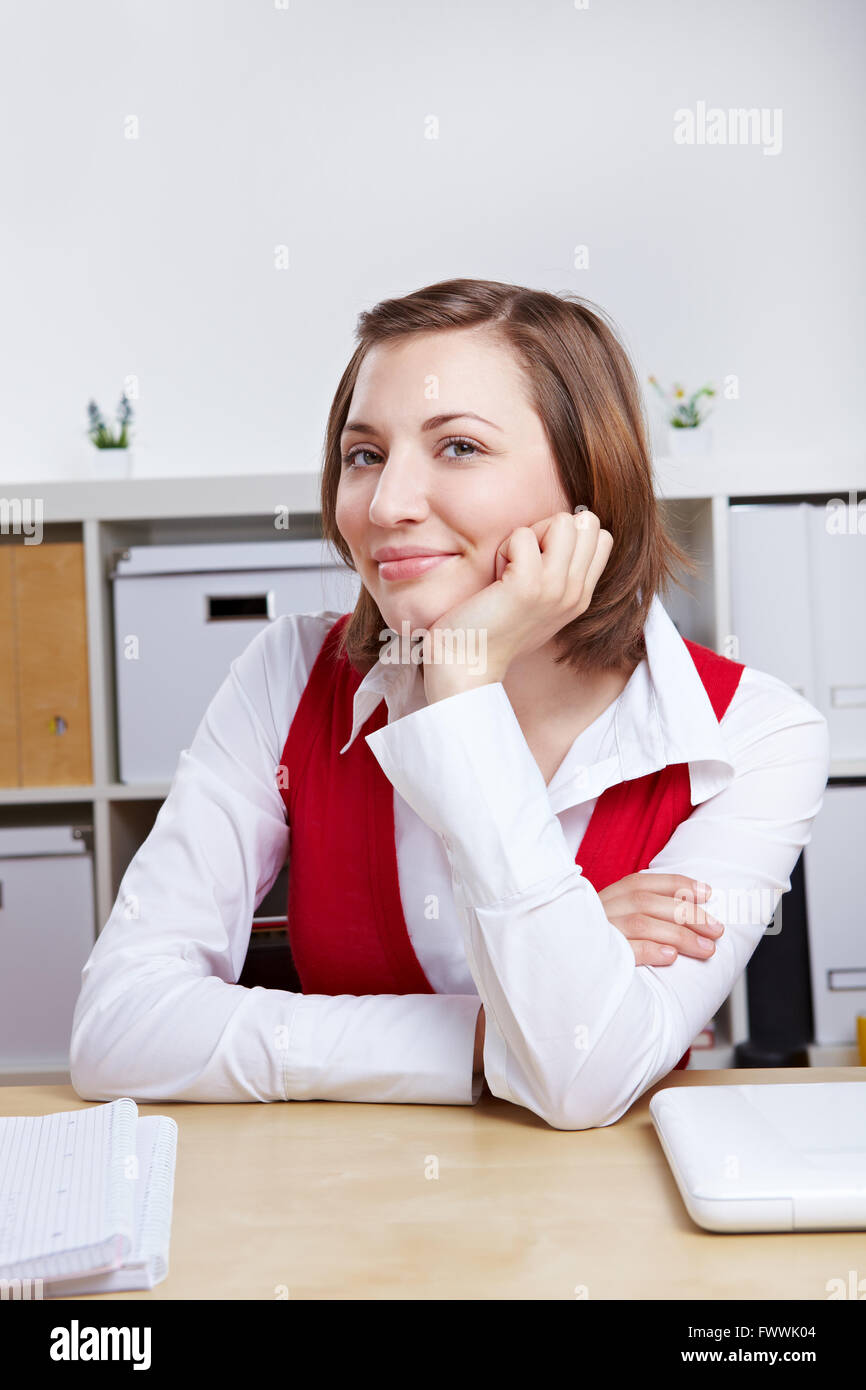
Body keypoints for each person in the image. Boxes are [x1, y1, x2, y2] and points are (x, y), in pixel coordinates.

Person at [70, 278, 830, 1130]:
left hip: (604, 1229)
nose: (387, 505)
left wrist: (461, 684)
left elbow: (583, 1083)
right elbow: (117, 1026)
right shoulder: (283, 677)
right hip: (347, 1217)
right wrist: (491, 1030)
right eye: (364, 455)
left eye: (459, 447)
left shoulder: (755, 737)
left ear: (590, 484)